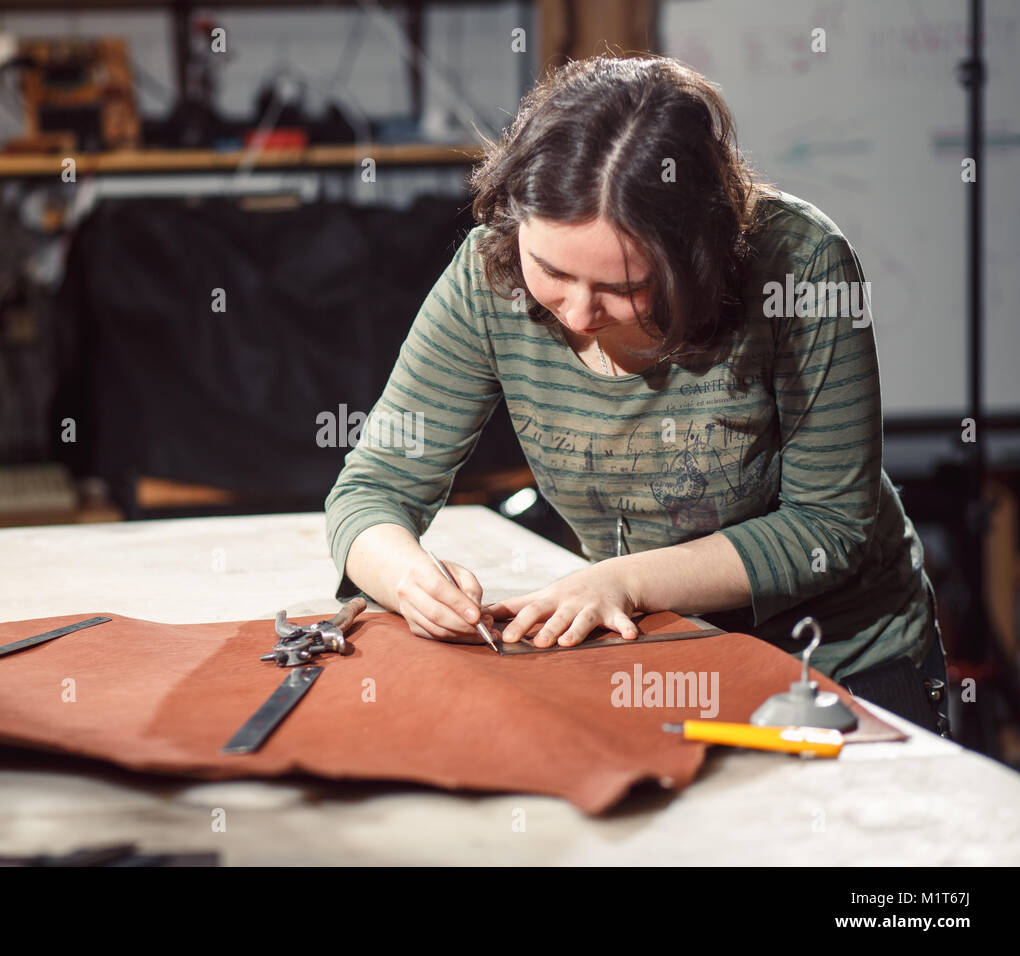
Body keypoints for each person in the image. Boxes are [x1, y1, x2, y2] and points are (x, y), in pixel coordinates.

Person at [323, 55, 949, 732]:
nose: (577, 313)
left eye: (623, 288)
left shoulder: (802, 267)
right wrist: (407, 577)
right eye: (552, 270)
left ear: (698, 255)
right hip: (660, 658)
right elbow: (372, 487)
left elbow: (830, 526)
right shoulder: (486, 275)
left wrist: (624, 581)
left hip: (837, 663)